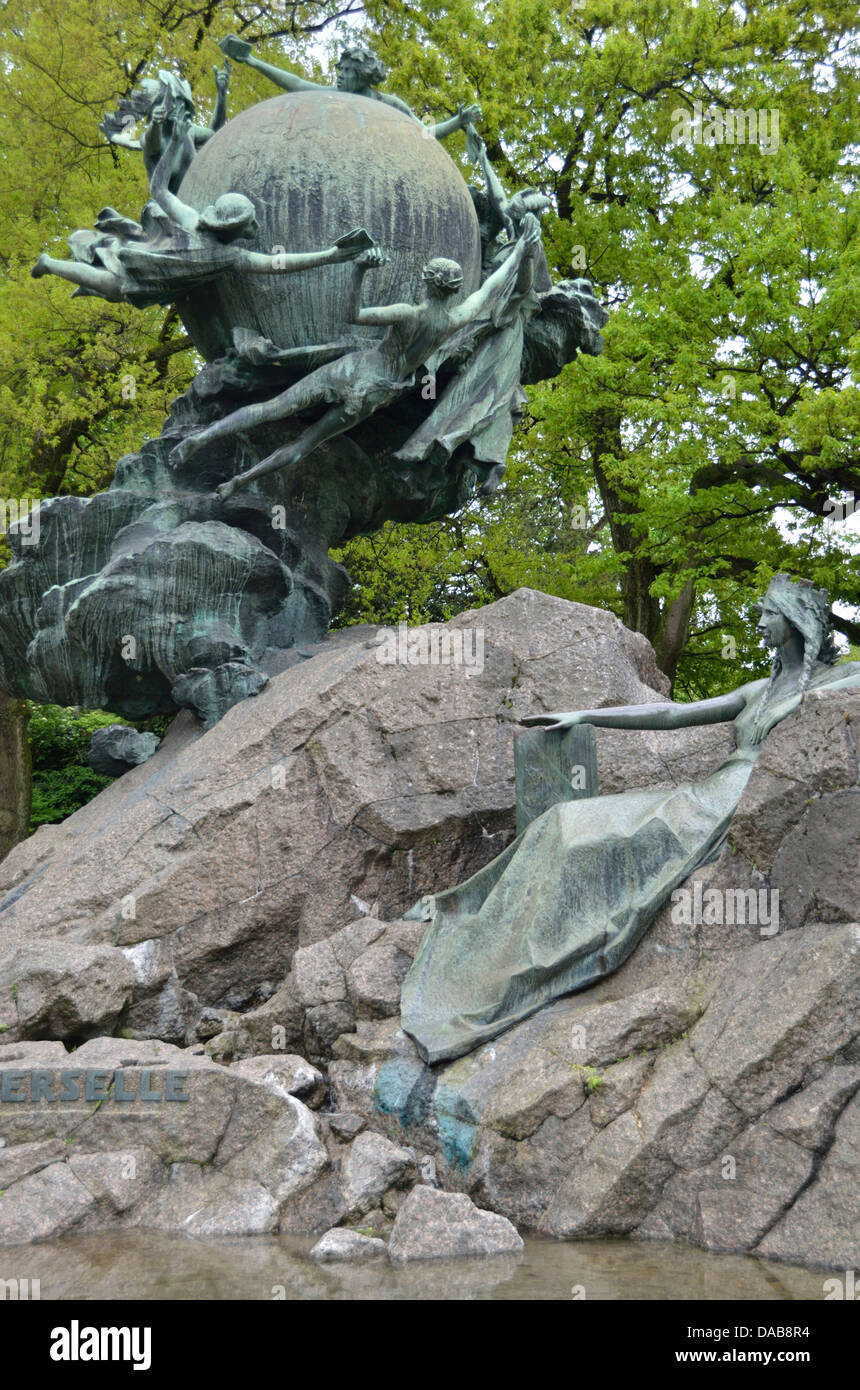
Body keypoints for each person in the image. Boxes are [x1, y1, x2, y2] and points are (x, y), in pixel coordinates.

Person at [400, 574, 860, 1064]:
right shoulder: (757, 689)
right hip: (706, 792)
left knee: (616, 840)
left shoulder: (842, 680)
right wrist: (584, 717)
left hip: (743, 801)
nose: (761, 621)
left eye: (770, 613)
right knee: (562, 822)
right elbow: (672, 716)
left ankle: (537, 960)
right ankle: (470, 913)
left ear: (795, 622)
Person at [169, 216, 543, 498]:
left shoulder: (406, 313)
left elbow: (353, 314)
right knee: (304, 446)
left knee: (273, 407)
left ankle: (200, 440)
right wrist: (522, 250)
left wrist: (359, 271)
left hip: (357, 370)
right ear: (454, 289)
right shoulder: (454, 320)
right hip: (376, 395)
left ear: (427, 280)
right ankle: (238, 482)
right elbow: (493, 288)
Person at [32, 108, 373, 308]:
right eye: (249, 225)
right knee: (114, 287)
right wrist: (328, 255)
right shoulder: (231, 257)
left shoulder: (195, 220)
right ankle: (50, 263)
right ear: (236, 230)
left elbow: (159, 188)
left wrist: (178, 142)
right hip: (152, 273)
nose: (254, 230)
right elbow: (277, 264)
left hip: (151, 262)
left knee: (110, 284)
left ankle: (56, 267)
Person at [219, 34, 481, 141]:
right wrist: (253, 62)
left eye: (347, 71)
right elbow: (296, 84)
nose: (341, 77)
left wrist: (458, 121)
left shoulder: (390, 104)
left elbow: (425, 135)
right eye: (340, 70)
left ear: (364, 75)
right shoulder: (336, 95)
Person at [100, 65, 231, 192]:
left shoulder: (189, 131)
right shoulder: (152, 140)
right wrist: (156, 123)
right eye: (169, 101)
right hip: (167, 210)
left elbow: (216, 135)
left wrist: (221, 95)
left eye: (179, 102)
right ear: (154, 109)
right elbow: (152, 141)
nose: (174, 106)